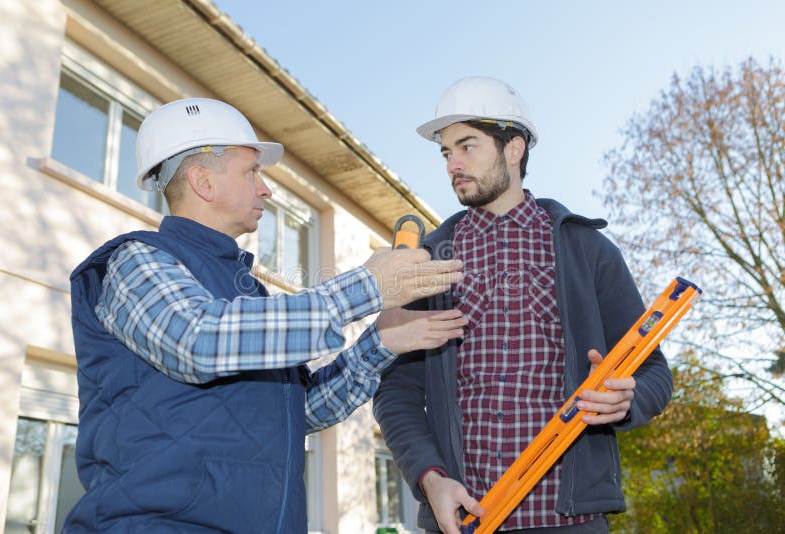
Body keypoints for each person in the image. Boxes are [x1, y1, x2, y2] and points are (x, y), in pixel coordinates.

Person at [64, 97, 466, 533]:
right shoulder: (135, 263)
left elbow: (299, 411)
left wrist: (380, 344)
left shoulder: (248, 295)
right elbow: (200, 340)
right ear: (203, 182)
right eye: (251, 172)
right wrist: (367, 287)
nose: (265, 188)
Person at [373, 76, 674, 533]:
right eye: (446, 152)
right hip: (462, 520)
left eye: (467, 145)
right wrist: (429, 478)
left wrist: (626, 400)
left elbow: (653, 371)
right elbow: (395, 392)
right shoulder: (427, 263)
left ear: (513, 148)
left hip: (570, 520)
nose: (452, 162)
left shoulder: (586, 250)